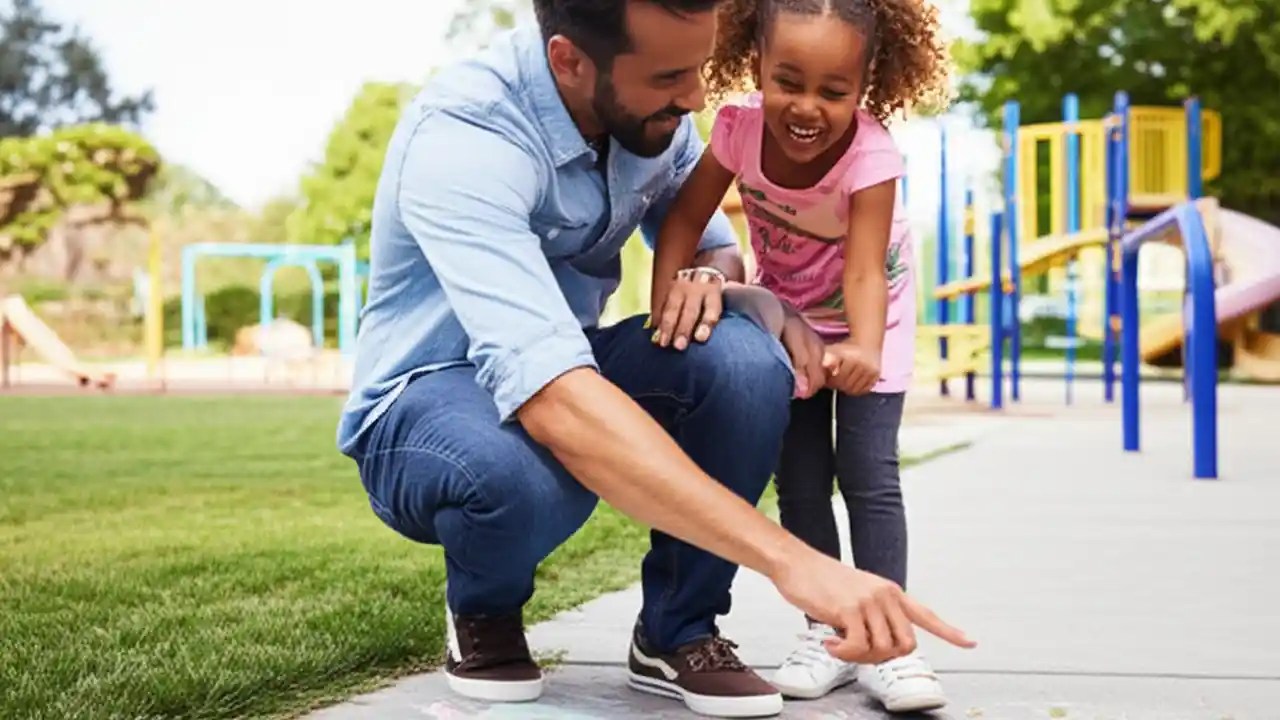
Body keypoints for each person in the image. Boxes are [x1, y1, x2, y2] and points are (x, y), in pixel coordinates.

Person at [337, 0, 972, 717]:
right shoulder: (467, 137)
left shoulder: (652, 108)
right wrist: (798, 564)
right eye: (674, 75)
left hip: (571, 363)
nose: (699, 95)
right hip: (432, 399)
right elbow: (550, 394)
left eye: (699, 67)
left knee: (741, 362)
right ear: (570, 62)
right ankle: (484, 607)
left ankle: (677, 630)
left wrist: (747, 298)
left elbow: (705, 246)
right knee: (519, 470)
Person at [648, 0, 953, 712]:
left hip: (873, 316)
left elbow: (865, 271)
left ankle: (889, 644)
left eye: (833, 91)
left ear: (867, 80)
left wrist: (866, 347)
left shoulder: (873, 156)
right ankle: (827, 631)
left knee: (869, 474)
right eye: (788, 82)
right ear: (755, 64)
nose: (806, 107)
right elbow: (685, 221)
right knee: (804, 480)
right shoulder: (736, 131)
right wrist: (667, 301)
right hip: (788, 319)